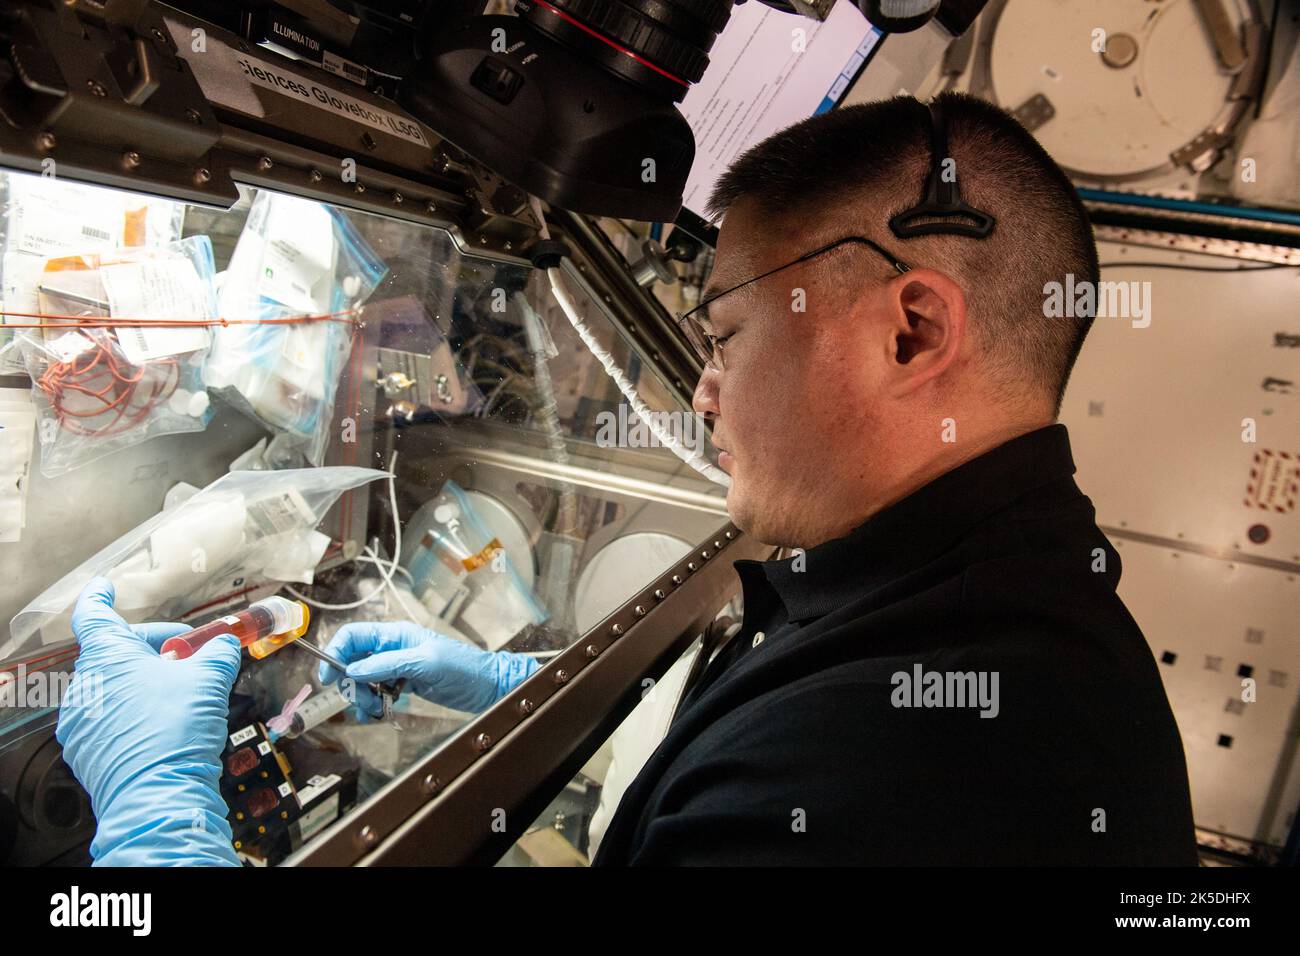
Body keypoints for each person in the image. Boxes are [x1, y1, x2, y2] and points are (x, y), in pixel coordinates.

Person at [56, 91, 1197, 865]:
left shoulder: (888, 782)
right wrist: (511, 684)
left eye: (726, 334)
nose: (702, 392)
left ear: (909, 332)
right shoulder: (1003, 612)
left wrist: (161, 835)